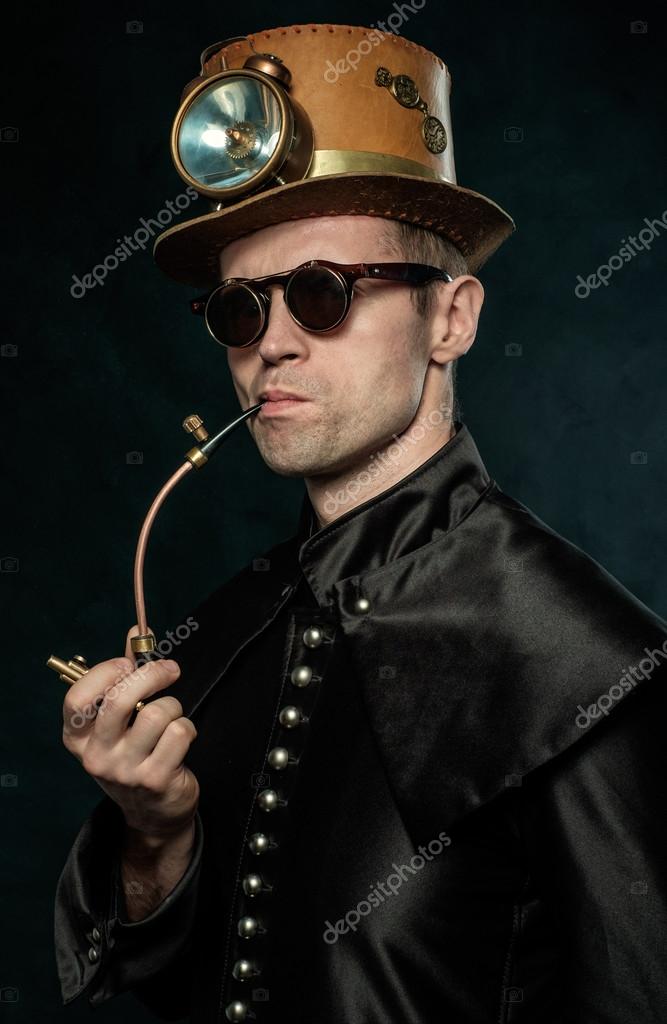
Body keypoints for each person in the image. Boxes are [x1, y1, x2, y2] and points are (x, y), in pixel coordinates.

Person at [55, 23, 667, 1024]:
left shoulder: (590, 668)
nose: (273, 345)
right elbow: (175, 978)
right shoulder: (225, 626)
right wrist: (152, 841)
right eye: (239, 310)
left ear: (450, 319)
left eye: (322, 292)